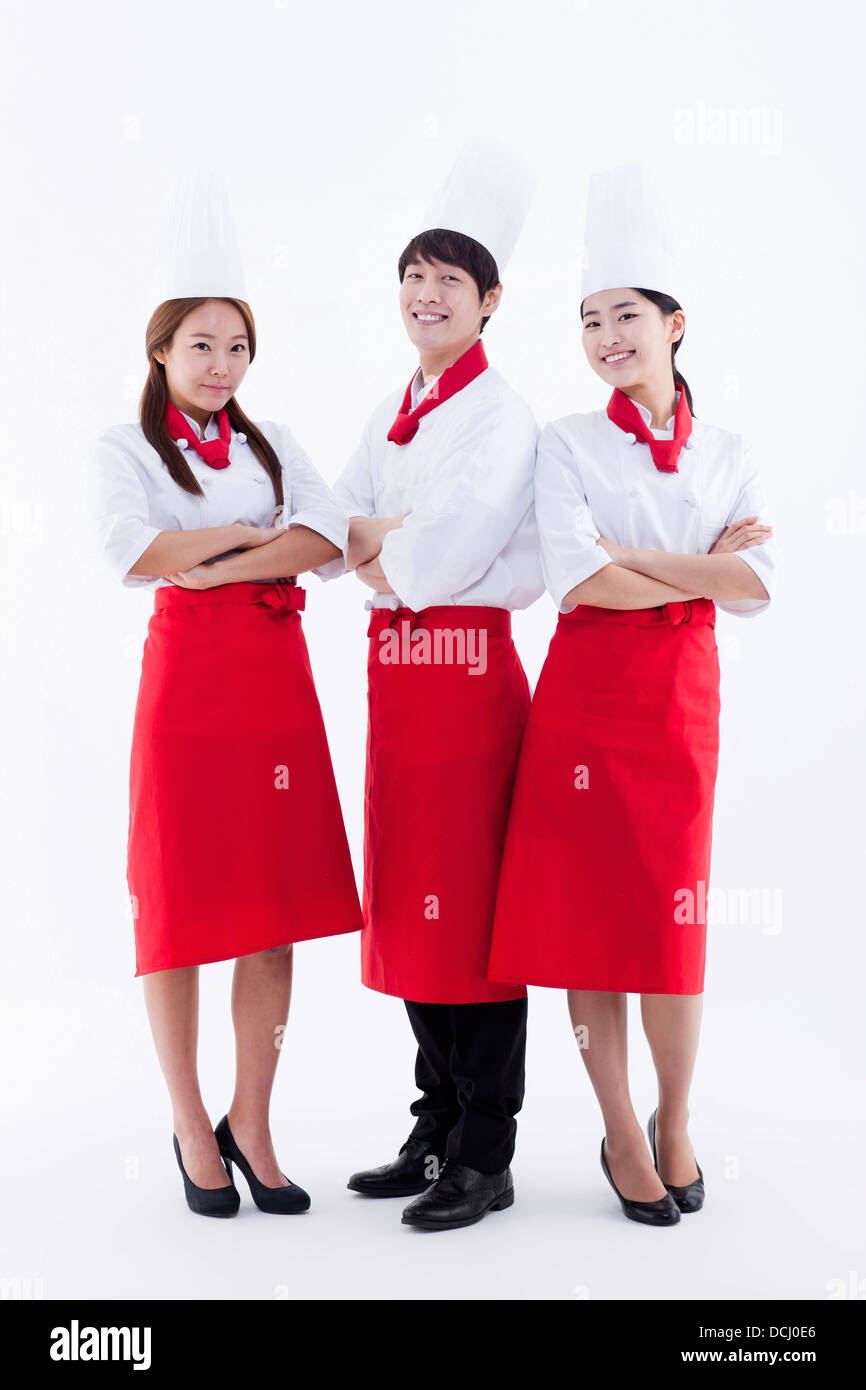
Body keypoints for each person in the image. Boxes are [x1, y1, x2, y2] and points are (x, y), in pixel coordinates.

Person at [488, 162, 778, 1225]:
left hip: (679, 708)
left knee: (670, 921)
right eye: (588, 320)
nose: (606, 337)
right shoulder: (566, 441)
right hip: (582, 707)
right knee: (587, 922)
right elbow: (578, 579)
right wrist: (693, 566)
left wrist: (633, 558)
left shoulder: (729, 450)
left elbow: (757, 583)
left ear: (674, 324)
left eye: (625, 316)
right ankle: (618, 1129)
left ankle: (675, 1117)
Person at [92, 171, 362, 1218]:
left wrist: (209, 557)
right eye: (201, 344)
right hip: (186, 698)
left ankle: (253, 1117)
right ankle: (189, 1119)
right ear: (161, 349)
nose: (220, 364)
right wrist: (248, 541)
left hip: (274, 693)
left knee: (270, 911)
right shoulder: (123, 447)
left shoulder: (272, 441)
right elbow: (130, 550)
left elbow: (327, 537)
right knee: (178, 909)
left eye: (237, 346)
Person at [329, 139, 544, 1231]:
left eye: (449, 279)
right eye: (414, 275)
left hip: (467, 682)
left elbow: (439, 556)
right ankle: (435, 1124)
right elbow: (334, 531)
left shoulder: (502, 417)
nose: (427, 293)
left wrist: (386, 545)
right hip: (396, 683)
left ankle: (486, 1150)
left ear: (488, 300)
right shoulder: (391, 404)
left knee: (473, 919)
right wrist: (380, 541)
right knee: (412, 909)